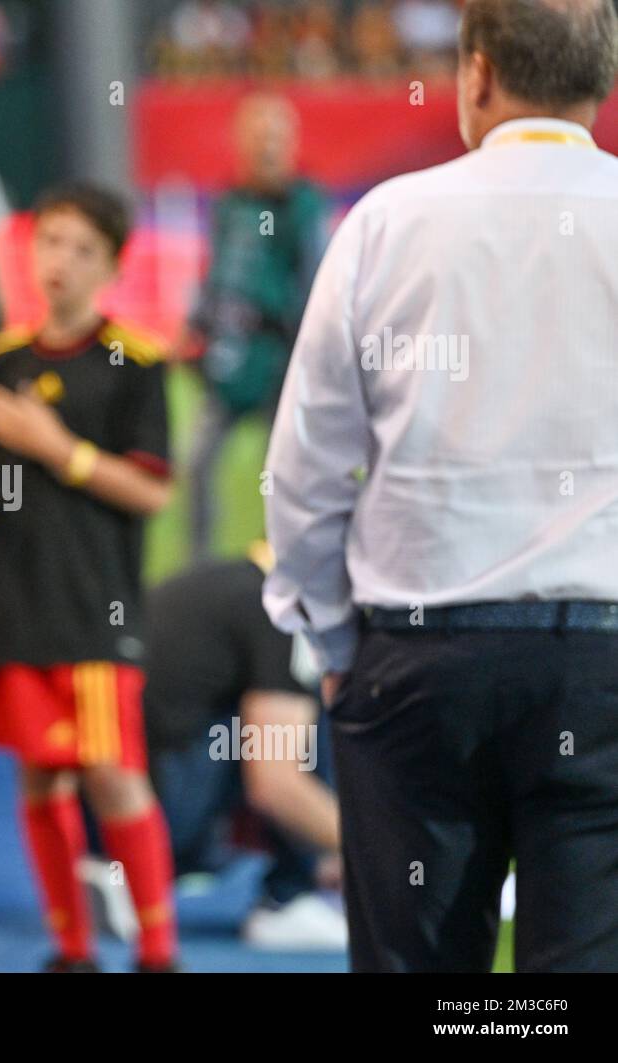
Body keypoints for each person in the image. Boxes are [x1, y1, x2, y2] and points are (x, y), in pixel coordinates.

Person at [263, 0, 618, 972]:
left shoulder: (386, 223)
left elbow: (304, 468)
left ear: (474, 73)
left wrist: (331, 640)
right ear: (602, 82)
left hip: (420, 665)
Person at [0, 183, 180, 972]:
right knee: (41, 780)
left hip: (99, 609)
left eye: (82, 248)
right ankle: (73, 950)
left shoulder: (134, 361)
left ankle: (159, 951)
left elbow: (154, 488)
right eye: (50, 240)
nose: (61, 260)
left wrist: (58, 448)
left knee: (114, 776)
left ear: (113, 265)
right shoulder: (2, 361)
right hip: (20, 605)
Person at [143, 541, 345, 950]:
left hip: (106, 813)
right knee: (305, 711)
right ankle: (288, 898)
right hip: (162, 813)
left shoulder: (226, 582)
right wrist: (383, 855)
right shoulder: (287, 610)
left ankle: (124, 873)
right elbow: (274, 785)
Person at [184, 93, 327, 559]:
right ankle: (199, 564)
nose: (266, 148)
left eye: (274, 137)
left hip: (278, 361)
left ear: (291, 143)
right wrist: (196, 327)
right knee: (198, 463)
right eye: (258, 136)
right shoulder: (230, 204)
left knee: (284, 471)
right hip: (228, 356)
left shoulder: (303, 207)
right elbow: (217, 273)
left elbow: (313, 287)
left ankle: (283, 561)